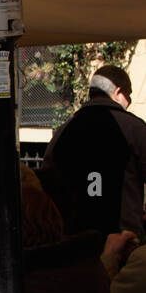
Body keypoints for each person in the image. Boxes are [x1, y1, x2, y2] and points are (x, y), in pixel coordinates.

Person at [43, 65, 146, 239]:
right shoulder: (133, 128)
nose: (128, 101)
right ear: (118, 92)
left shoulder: (63, 132)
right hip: (123, 240)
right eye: (128, 95)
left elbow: (47, 183)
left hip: (75, 244)